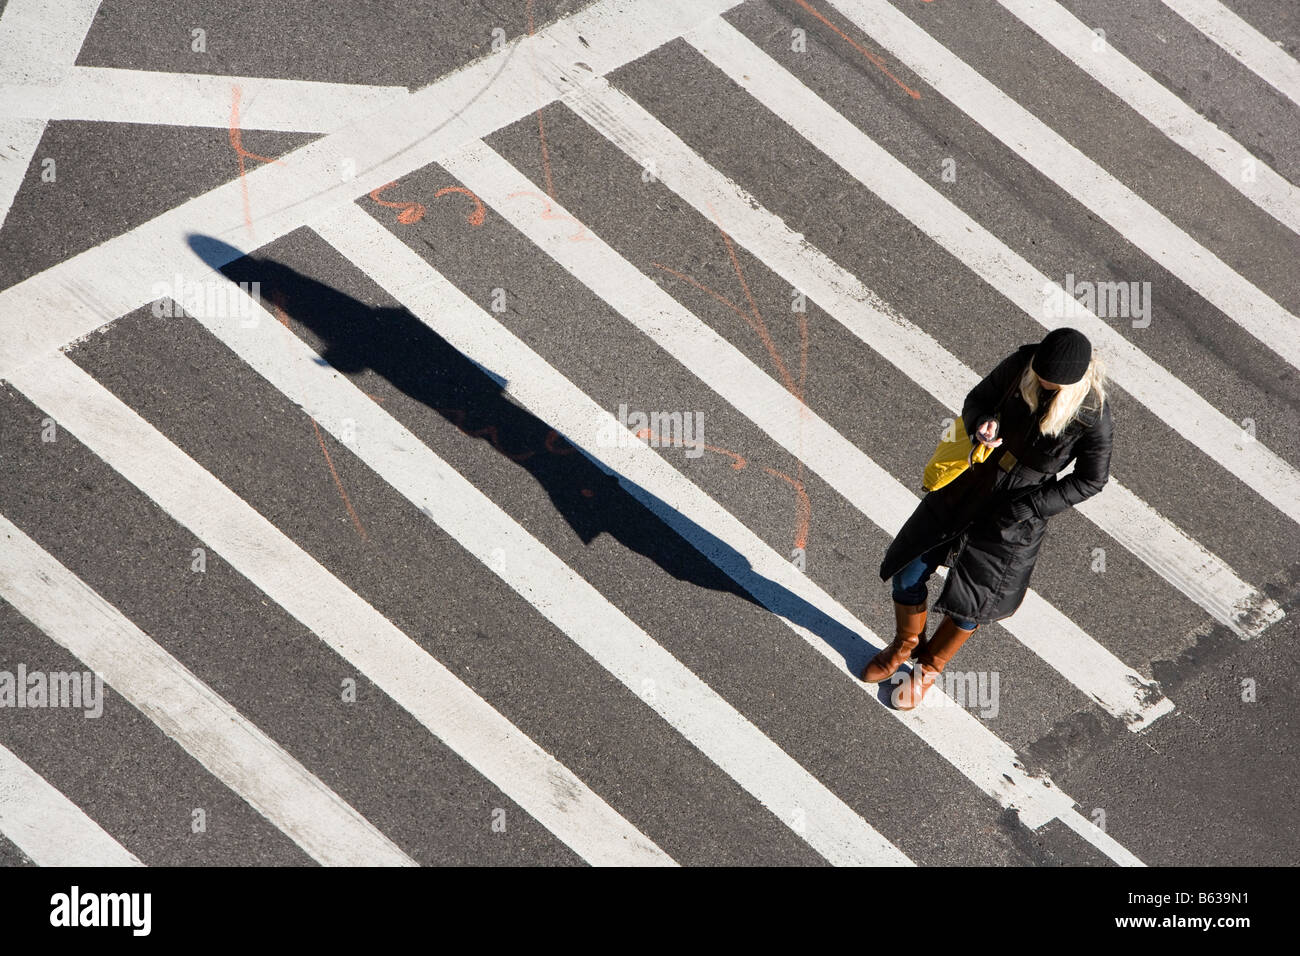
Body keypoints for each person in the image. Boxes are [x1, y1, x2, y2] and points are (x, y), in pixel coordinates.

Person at [864, 327, 1113, 709]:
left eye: (1050, 383)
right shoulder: (1022, 363)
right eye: (1040, 376)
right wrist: (983, 420)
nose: (1041, 383)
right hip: (972, 482)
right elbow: (979, 398)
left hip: (1017, 511)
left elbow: (1091, 479)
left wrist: (1033, 506)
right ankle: (905, 645)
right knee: (908, 570)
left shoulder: (1092, 415)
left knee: (973, 602)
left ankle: (928, 669)